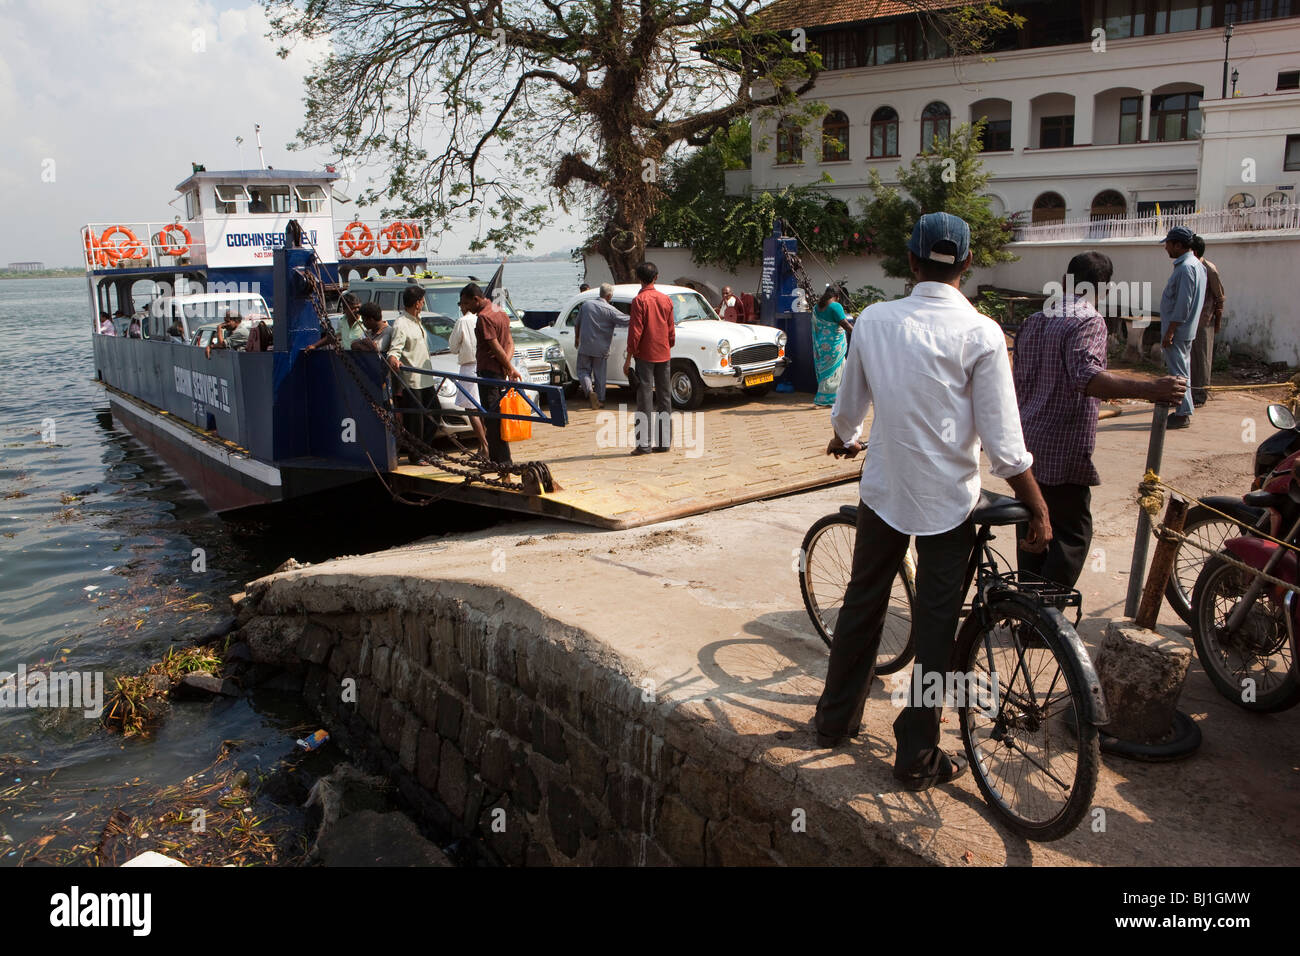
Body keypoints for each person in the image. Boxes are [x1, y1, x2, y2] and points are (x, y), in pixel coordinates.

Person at [813, 212, 1052, 792]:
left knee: (863, 601)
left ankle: (833, 722)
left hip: (886, 490)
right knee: (938, 629)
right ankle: (918, 754)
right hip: (951, 502)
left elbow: (849, 407)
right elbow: (1003, 441)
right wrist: (1038, 508)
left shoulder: (872, 321)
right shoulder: (984, 334)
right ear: (967, 266)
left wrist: (844, 439)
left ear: (911, 260)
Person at [1013, 252, 1187, 588]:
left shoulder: (1034, 320)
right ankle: (1042, 616)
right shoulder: (1088, 320)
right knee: (1071, 534)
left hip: (1027, 441)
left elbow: (1021, 380)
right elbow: (1087, 377)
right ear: (1104, 290)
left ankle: (1025, 610)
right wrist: (1153, 389)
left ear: (1065, 282)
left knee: (1035, 524)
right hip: (1061, 446)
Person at [459, 282, 521, 466]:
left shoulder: (484, 318)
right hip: (499, 373)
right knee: (496, 417)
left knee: (493, 421)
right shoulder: (500, 311)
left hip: (489, 373)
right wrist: (508, 367)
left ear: (476, 299)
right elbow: (509, 342)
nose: (465, 308)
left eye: (466, 303)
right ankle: (498, 460)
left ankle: (503, 462)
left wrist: (508, 367)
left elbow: (495, 346)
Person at [622, 261, 675, 455]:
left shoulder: (639, 301)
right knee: (665, 398)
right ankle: (663, 442)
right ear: (656, 277)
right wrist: (667, 344)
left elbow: (635, 332)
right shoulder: (666, 300)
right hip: (663, 353)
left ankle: (643, 444)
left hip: (645, 354)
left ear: (639, 278)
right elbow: (671, 330)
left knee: (644, 399)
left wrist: (629, 358)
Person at [1157, 225, 1206, 430]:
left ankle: (1183, 412)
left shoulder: (1187, 268)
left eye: (1168, 244)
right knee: (1182, 370)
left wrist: (1170, 331)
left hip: (1178, 330)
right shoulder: (1195, 265)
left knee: (1178, 372)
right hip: (1184, 329)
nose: (1166, 248)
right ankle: (1183, 407)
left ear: (1178, 245)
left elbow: (1183, 305)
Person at [386, 285, 438, 464]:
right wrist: (393, 359)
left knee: (434, 415)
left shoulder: (418, 320)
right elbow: (395, 349)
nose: (423, 304)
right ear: (417, 303)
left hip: (426, 378)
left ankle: (425, 449)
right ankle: (416, 455)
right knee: (416, 421)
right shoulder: (401, 324)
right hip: (412, 380)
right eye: (422, 301)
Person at [574, 283, 628, 410]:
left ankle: (589, 392)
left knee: (582, 371)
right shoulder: (610, 310)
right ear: (609, 296)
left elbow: (577, 323)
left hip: (585, 345)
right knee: (600, 375)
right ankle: (601, 400)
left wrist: (577, 338)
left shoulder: (586, 305)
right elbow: (626, 320)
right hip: (601, 348)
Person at [1189, 234, 1225, 407]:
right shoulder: (1190, 267)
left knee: (1202, 358)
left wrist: (1217, 323)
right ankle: (1190, 391)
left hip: (1204, 321)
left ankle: (1201, 394)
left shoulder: (1208, 269)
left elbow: (1219, 297)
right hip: (1190, 320)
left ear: (1194, 251)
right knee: (1190, 358)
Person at [448, 305, 488, 451]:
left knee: (471, 410)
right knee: (482, 408)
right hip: (483, 365)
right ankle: (484, 444)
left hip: (468, 367)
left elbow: (452, 347)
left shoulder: (462, 321)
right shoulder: (481, 318)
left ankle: (484, 445)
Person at [812, 285, 853, 406]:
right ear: (837, 296)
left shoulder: (816, 307)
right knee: (836, 370)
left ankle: (832, 397)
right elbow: (845, 324)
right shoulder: (835, 306)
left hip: (822, 344)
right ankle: (830, 399)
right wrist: (858, 333)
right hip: (834, 345)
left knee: (828, 370)